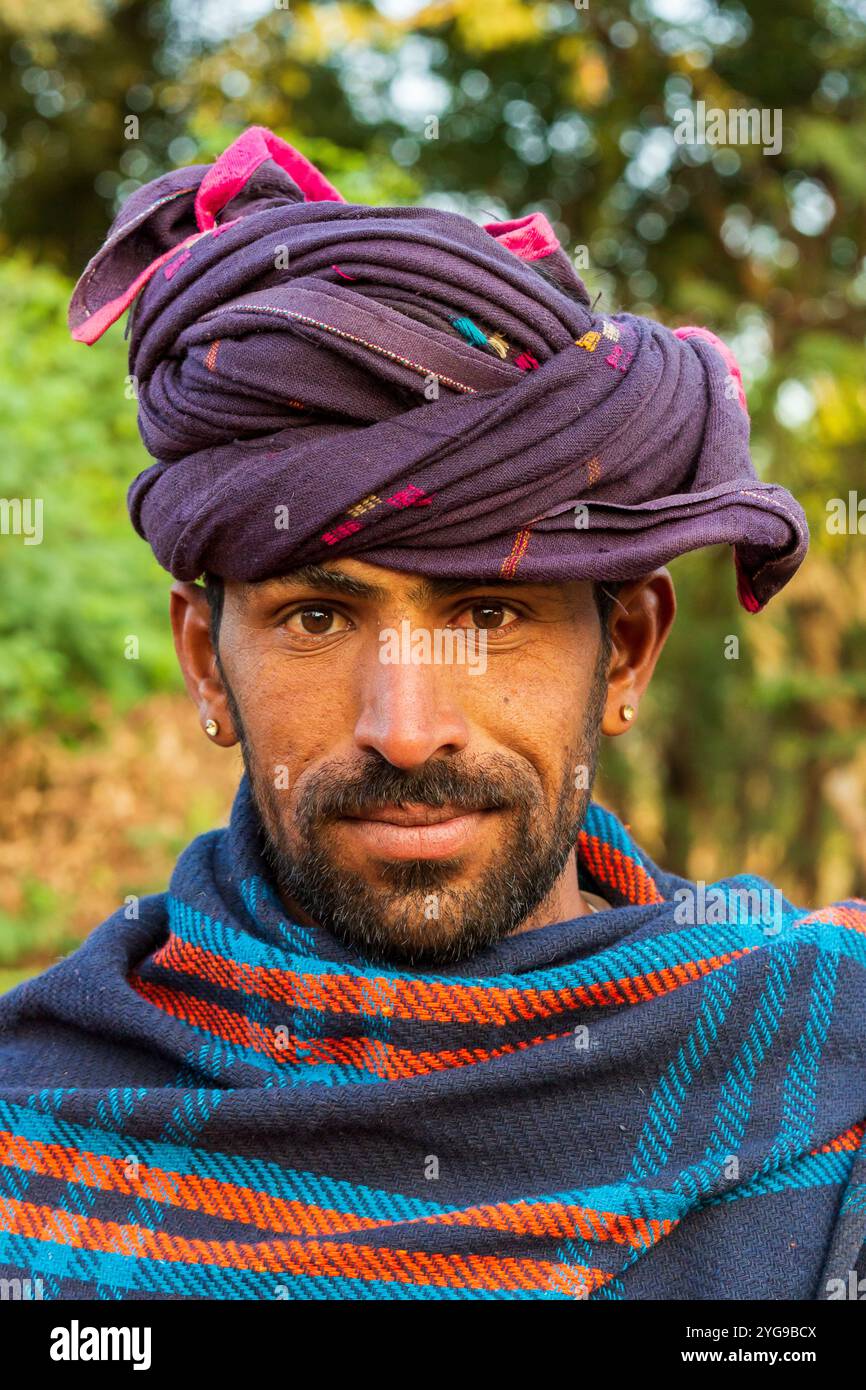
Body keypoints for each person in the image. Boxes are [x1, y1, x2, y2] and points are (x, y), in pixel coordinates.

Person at [0, 127, 863, 1302]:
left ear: (626, 650)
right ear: (207, 665)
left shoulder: (822, 1082)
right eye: (317, 619)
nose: (405, 730)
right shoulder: (36, 1126)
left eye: (489, 615)